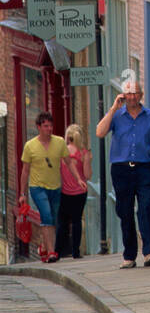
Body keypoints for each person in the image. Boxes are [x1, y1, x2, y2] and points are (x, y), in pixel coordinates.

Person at [96, 79, 150, 269]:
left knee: (146, 208)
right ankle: (129, 255)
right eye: (128, 94)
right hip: (121, 170)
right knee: (125, 211)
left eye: (135, 93)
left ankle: (149, 252)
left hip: (144, 168)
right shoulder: (117, 116)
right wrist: (113, 108)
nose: (132, 97)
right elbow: (100, 132)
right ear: (123, 96)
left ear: (141, 95)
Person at [20, 112, 69, 263]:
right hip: (37, 187)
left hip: (55, 187)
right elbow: (25, 171)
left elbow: (69, 162)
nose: (49, 129)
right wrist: (22, 193)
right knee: (47, 216)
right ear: (39, 127)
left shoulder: (59, 142)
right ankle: (52, 252)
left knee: (52, 219)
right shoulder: (30, 146)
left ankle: (44, 245)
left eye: (51, 126)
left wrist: (79, 179)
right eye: (46, 126)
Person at [56, 124, 92, 260]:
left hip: (64, 192)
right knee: (77, 221)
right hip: (80, 192)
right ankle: (76, 251)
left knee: (62, 222)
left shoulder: (62, 153)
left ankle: (58, 251)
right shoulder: (84, 154)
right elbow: (88, 175)